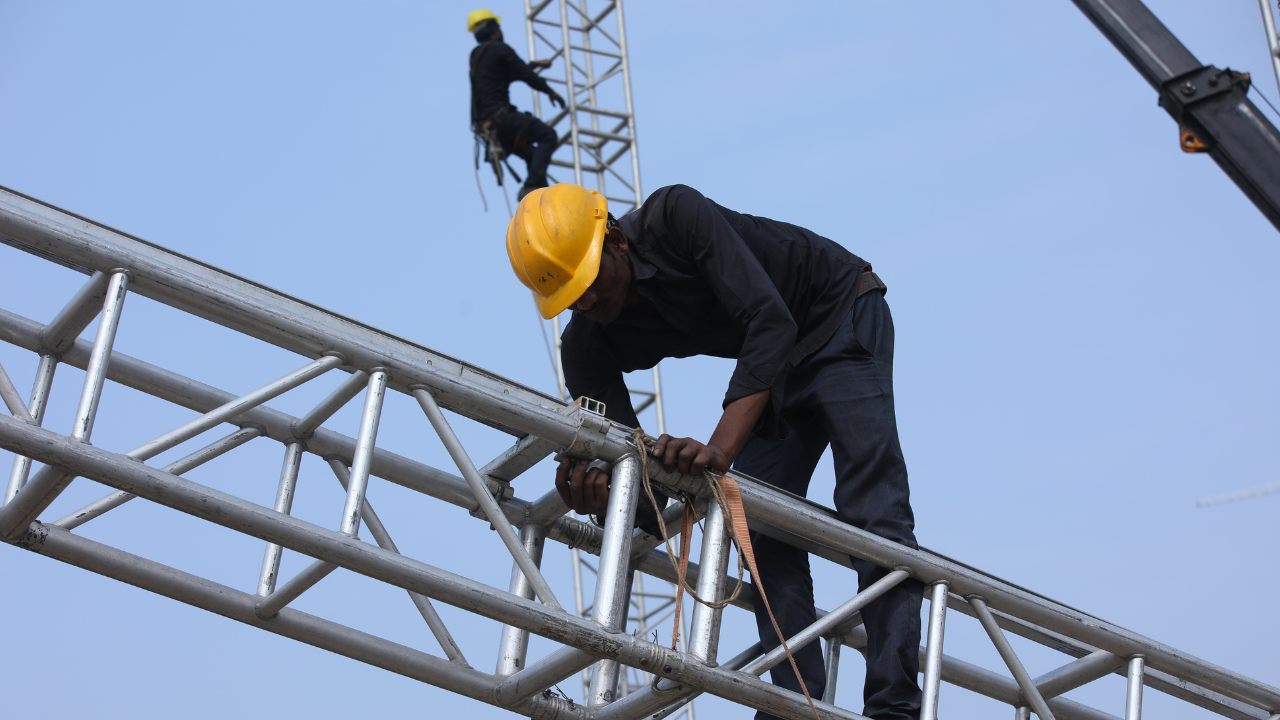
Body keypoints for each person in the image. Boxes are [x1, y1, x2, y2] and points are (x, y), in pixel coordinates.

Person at [505, 183, 924, 720]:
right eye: (571, 296)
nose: (587, 302)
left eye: (589, 281)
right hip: (774, 368)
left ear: (617, 241)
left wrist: (720, 446)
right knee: (759, 531)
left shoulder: (674, 217)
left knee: (875, 514)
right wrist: (606, 494)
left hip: (837, 313)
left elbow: (771, 321)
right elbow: (652, 510)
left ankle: (894, 707)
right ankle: (798, 704)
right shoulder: (587, 346)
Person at [467, 9, 566, 201]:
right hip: (503, 122)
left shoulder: (477, 57)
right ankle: (531, 187)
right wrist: (550, 91)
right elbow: (523, 74)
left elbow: (507, 72)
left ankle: (540, 197)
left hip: (491, 130)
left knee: (533, 155)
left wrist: (533, 64)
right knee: (548, 136)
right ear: (494, 29)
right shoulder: (500, 49)